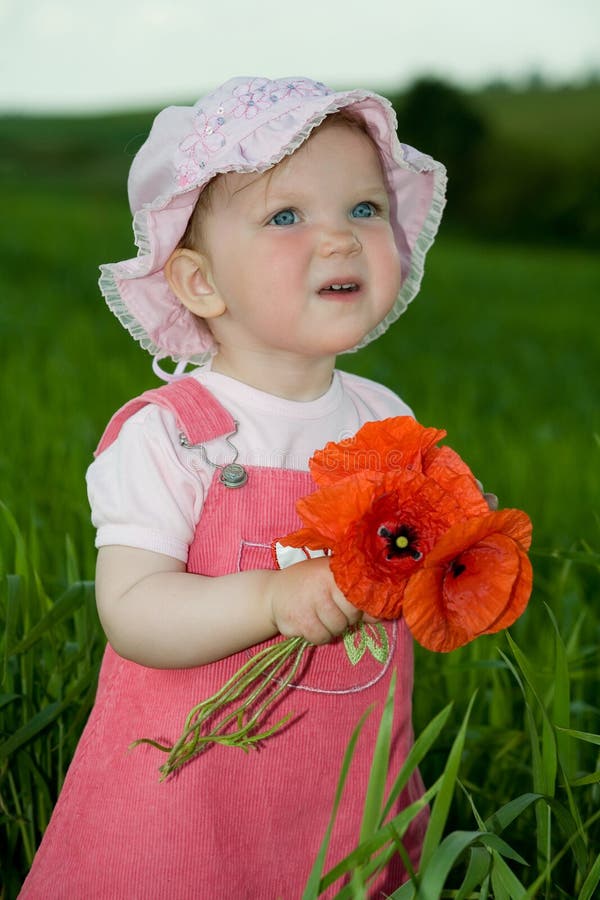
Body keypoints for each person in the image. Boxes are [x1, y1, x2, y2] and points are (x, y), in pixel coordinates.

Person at [20, 75, 448, 898]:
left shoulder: (388, 423)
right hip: (190, 810)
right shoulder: (176, 436)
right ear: (200, 283)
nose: (341, 238)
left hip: (345, 802)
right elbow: (133, 610)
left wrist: (452, 548)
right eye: (286, 217)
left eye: (364, 208)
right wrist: (271, 599)